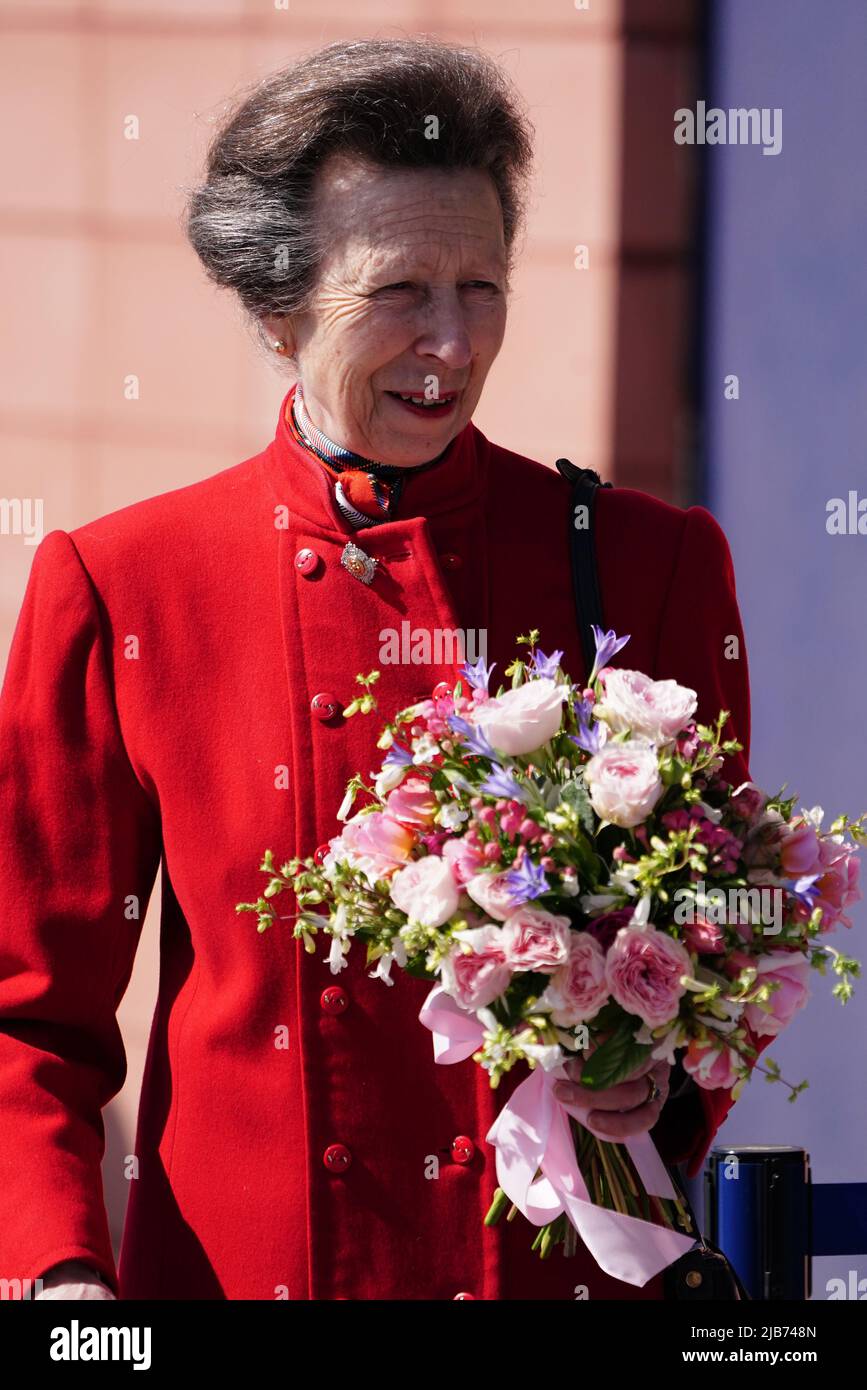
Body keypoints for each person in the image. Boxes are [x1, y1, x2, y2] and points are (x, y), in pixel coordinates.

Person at [0, 37, 756, 1301]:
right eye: (398, 290)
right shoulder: (124, 582)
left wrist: (661, 1076)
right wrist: (63, 1282)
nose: (451, 343)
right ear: (275, 301)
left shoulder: (651, 562)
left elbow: (728, 943)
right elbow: (30, 1015)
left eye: (483, 285)